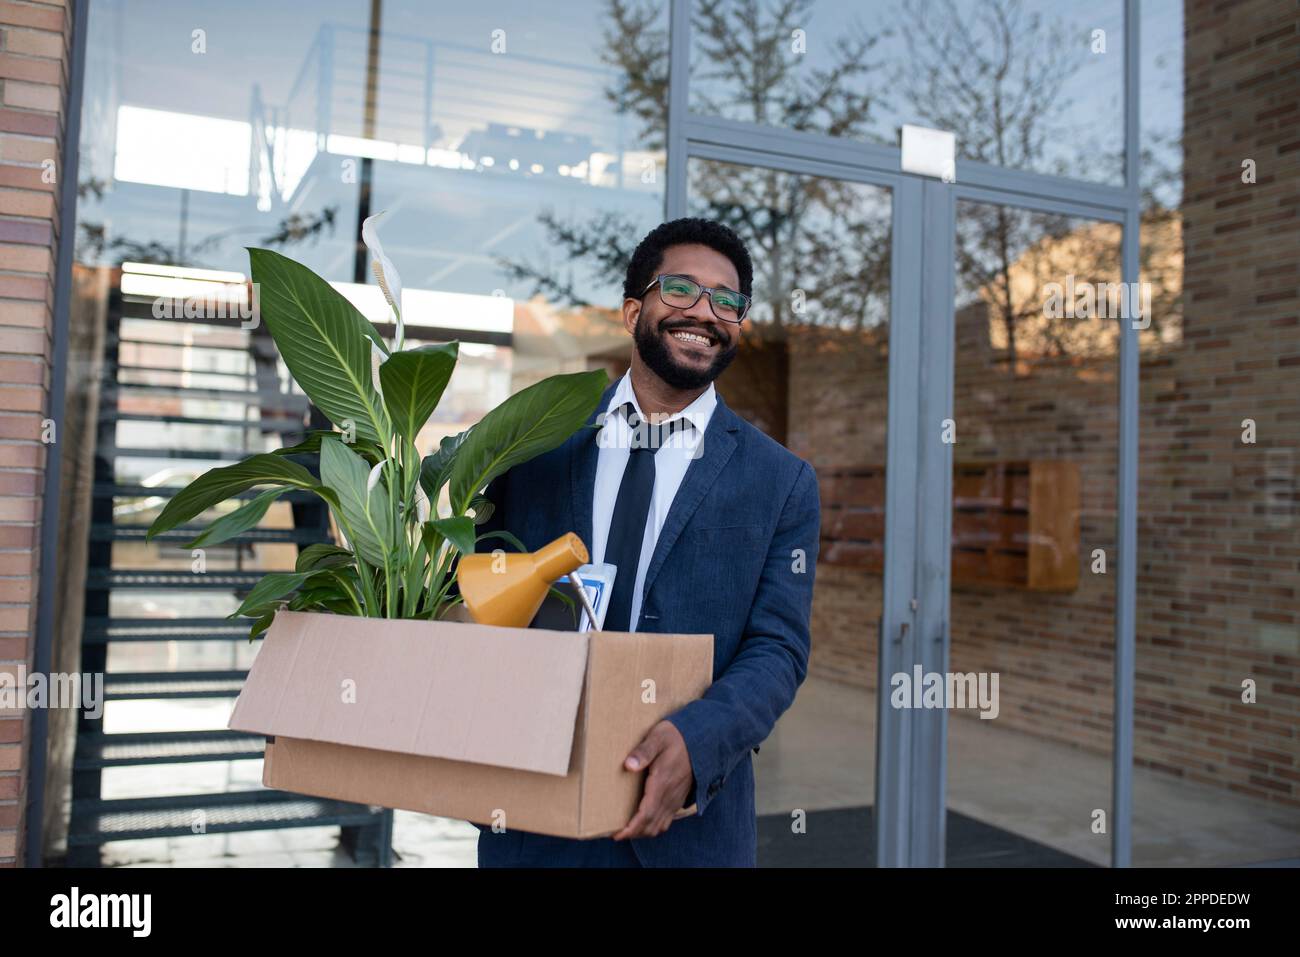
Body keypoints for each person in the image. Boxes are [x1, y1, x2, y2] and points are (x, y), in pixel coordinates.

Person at [472, 217, 820, 867]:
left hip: (687, 832)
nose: (705, 312)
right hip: (532, 817)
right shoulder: (535, 447)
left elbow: (779, 649)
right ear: (633, 309)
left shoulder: (781, 482)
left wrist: (699, 738)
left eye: (727, 299)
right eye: (682, 289)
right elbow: (482, 601)